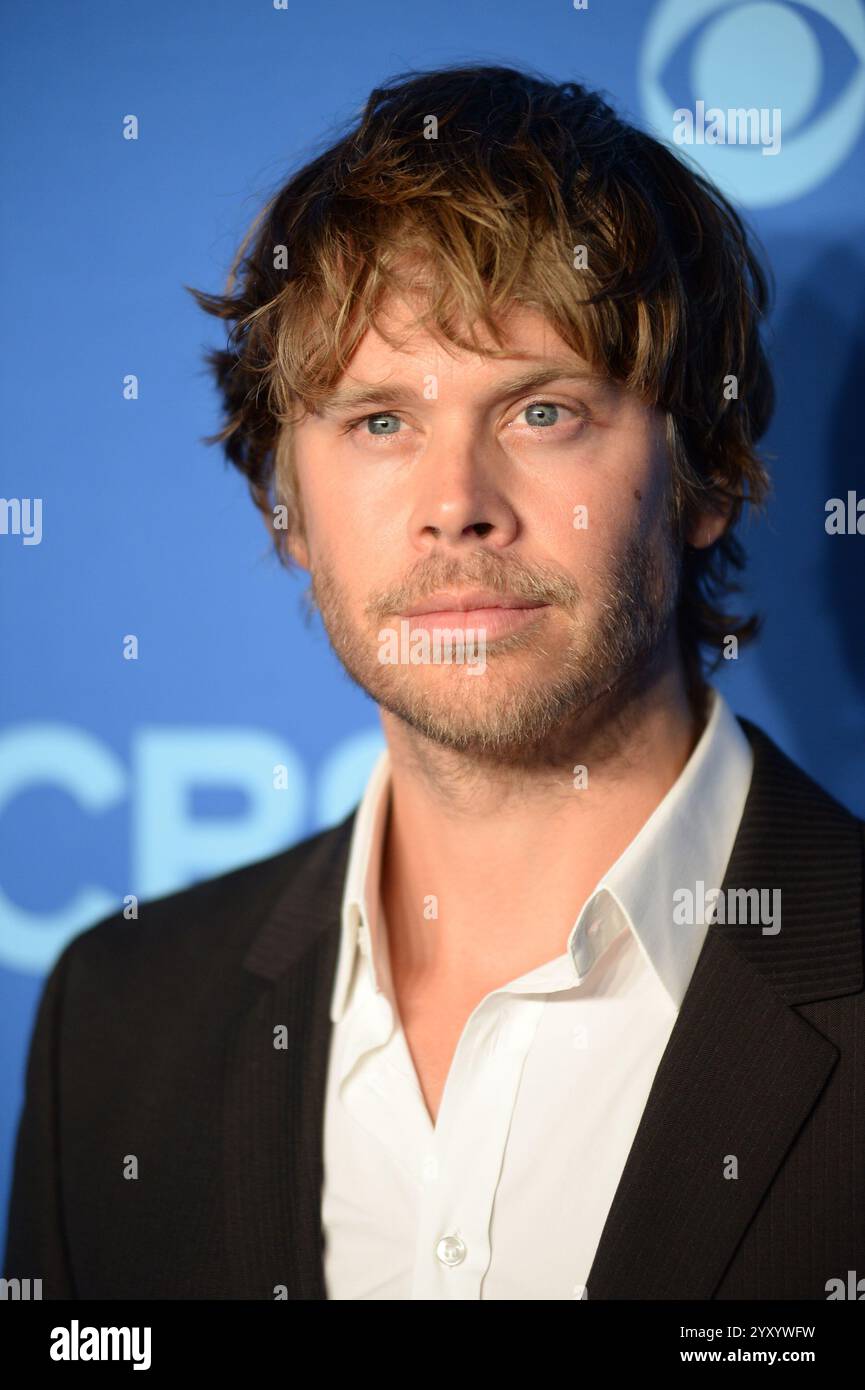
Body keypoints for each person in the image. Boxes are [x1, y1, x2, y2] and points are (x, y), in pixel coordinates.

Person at [5, 64, 863, 1301]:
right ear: (285, 503)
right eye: (379, 424)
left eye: (543, 411)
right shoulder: (120, 1022)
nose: (455, 506)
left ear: (706, 474)